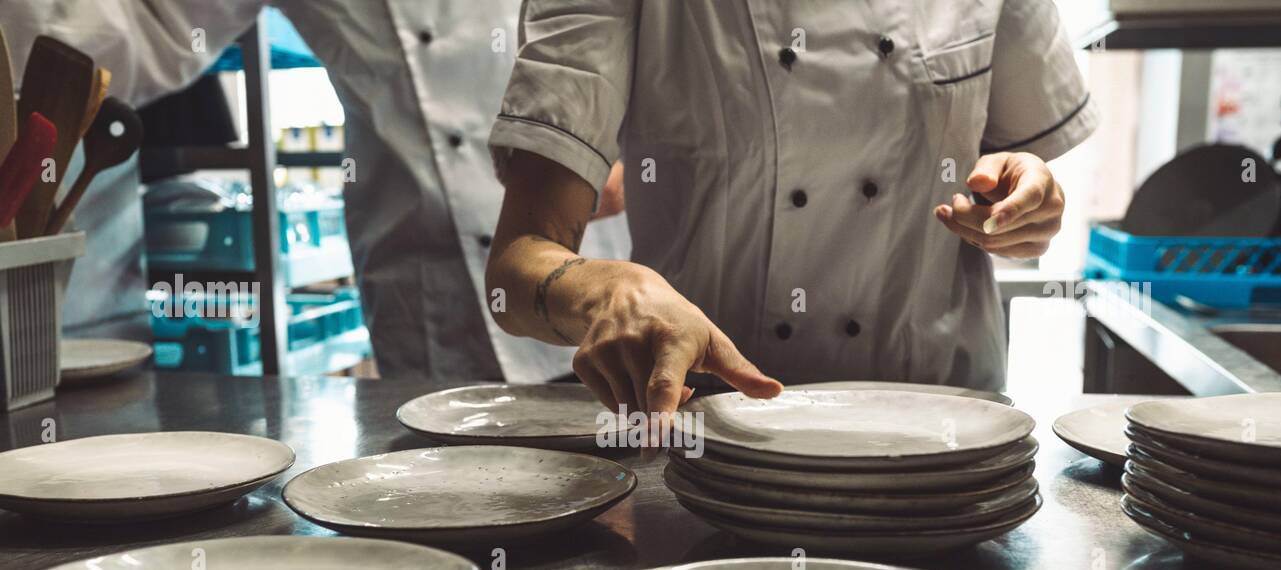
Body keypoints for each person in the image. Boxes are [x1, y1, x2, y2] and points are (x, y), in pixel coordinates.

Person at [485, 0, 1099, 421]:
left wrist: (1026, 206)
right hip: (713, 449)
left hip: (945, 441)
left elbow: (1012, 175)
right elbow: (516, 269)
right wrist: (607, 289)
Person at [2, 0, 628, 381]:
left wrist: (616, 146)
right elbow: (145, 24)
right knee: (456, 509)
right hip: (428, 286)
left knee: (626, 509)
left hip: (591, 255)